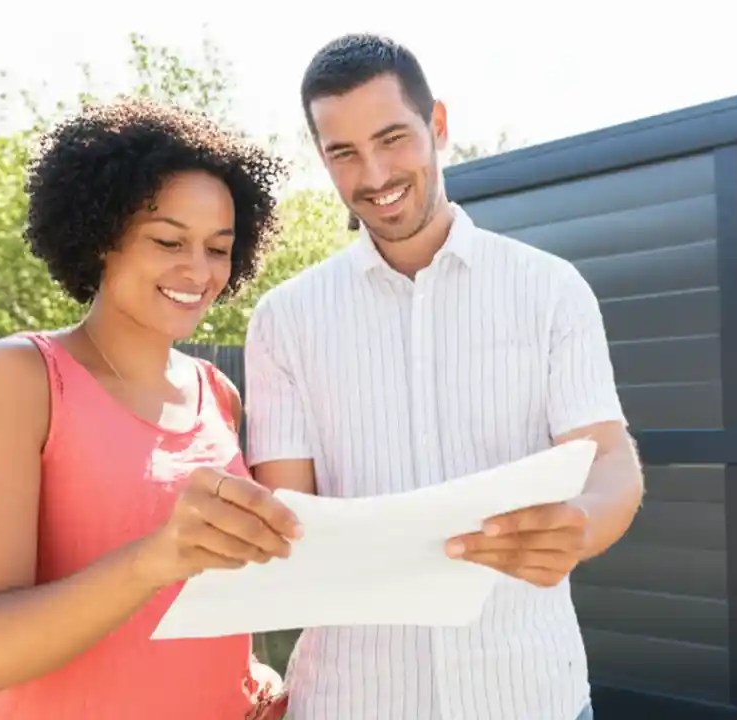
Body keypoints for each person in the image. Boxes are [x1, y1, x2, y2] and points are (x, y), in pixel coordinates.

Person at [243, 32, 645, 720]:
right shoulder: (284, 320)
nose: (373, 174)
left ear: (439, 125)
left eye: (393, 138)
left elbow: (608, 459)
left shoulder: (551, 290)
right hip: (352, 701)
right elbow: (291, 522)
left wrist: (580, 525)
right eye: (344, 152)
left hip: (531, 695)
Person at [0, 97, 299, 719]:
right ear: (102, 234)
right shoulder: (19, 379)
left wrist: (250, 674)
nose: (199, 270)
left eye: (219, 248)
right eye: (168, 240)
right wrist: (153, 559)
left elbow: (216, 605)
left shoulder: (220, 395)